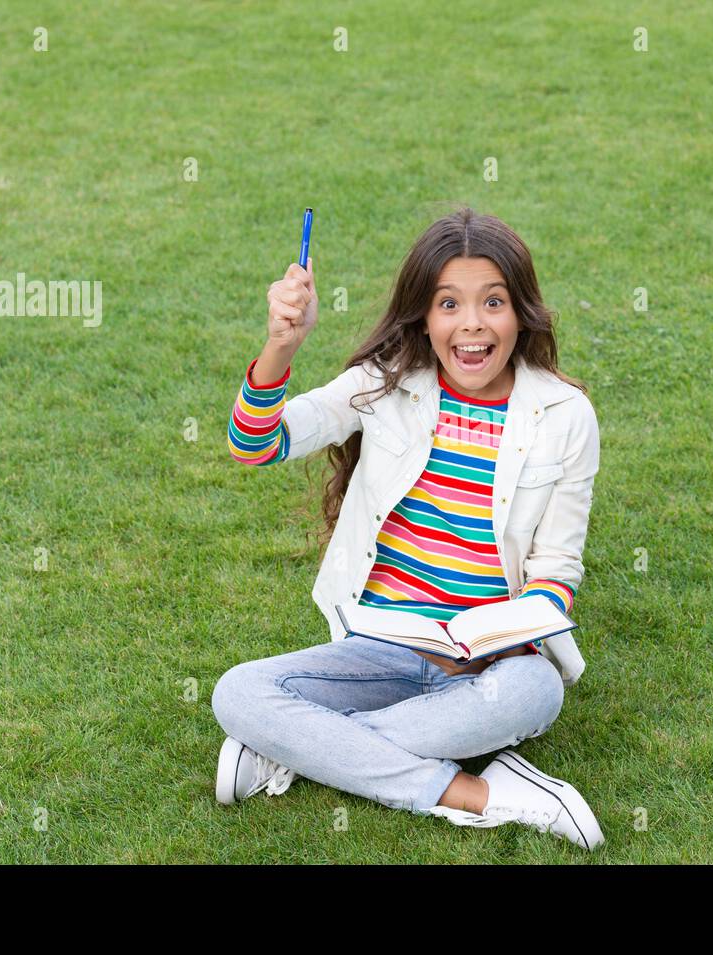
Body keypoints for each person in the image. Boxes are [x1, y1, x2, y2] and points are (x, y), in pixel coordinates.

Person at [211, 207, 603, 850]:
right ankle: (484, 792)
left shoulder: (565, 414)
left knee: (535, 693)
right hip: (377, 648)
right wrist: (282, 345)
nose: (471, 324)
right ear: (423, 313)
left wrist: (511, 628)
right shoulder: (386, 382)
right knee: (240, 691)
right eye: (449, 303)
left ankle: (296, 749)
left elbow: (557, 572)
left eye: (493, 302)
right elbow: (258, 444)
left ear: (521, 311)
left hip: (488, 665)